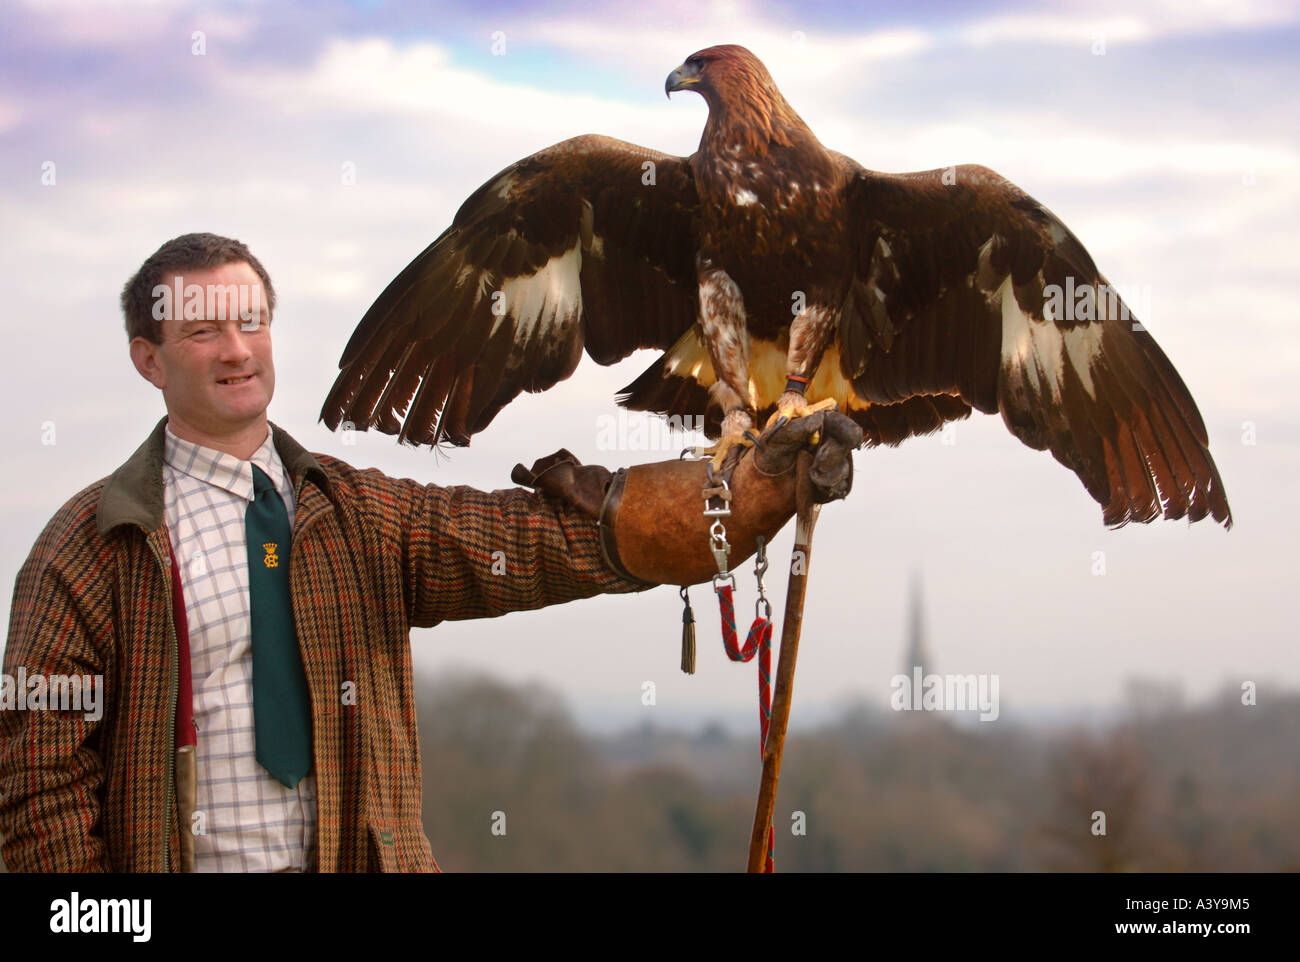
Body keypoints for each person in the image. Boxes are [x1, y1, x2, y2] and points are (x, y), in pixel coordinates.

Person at [0, 232, 859, 872]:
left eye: (251, 322)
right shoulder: (87, 550)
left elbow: (530, 542)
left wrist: (739, 499)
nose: (236, 349)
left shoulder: (359, 516)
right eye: (203, 333)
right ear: (147, 361)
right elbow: (38, 794)